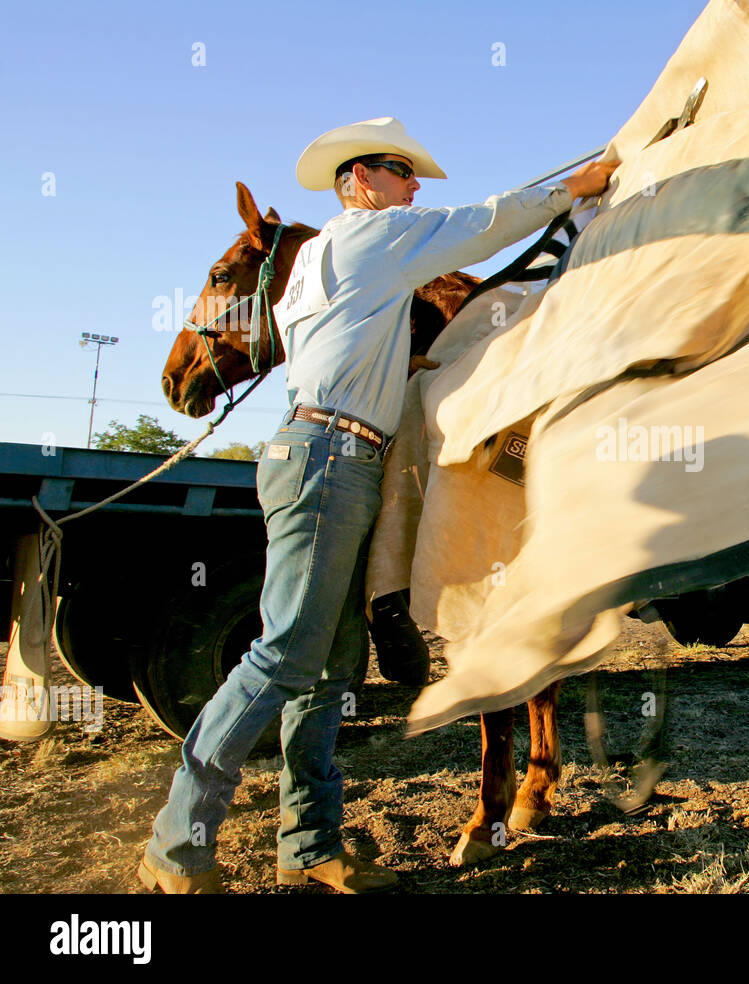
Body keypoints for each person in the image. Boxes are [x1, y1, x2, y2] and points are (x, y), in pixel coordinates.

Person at [139, 117, 617, 893]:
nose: (414, 185)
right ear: (359, 181)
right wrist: (575, 189)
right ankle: (177, 844)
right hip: (331, 459)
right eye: (401, 171)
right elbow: (484, 224)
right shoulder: (372, 237)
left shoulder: (319, 269)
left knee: (330, 673)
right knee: (284, 656)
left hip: (333, 456)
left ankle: (310, 847)